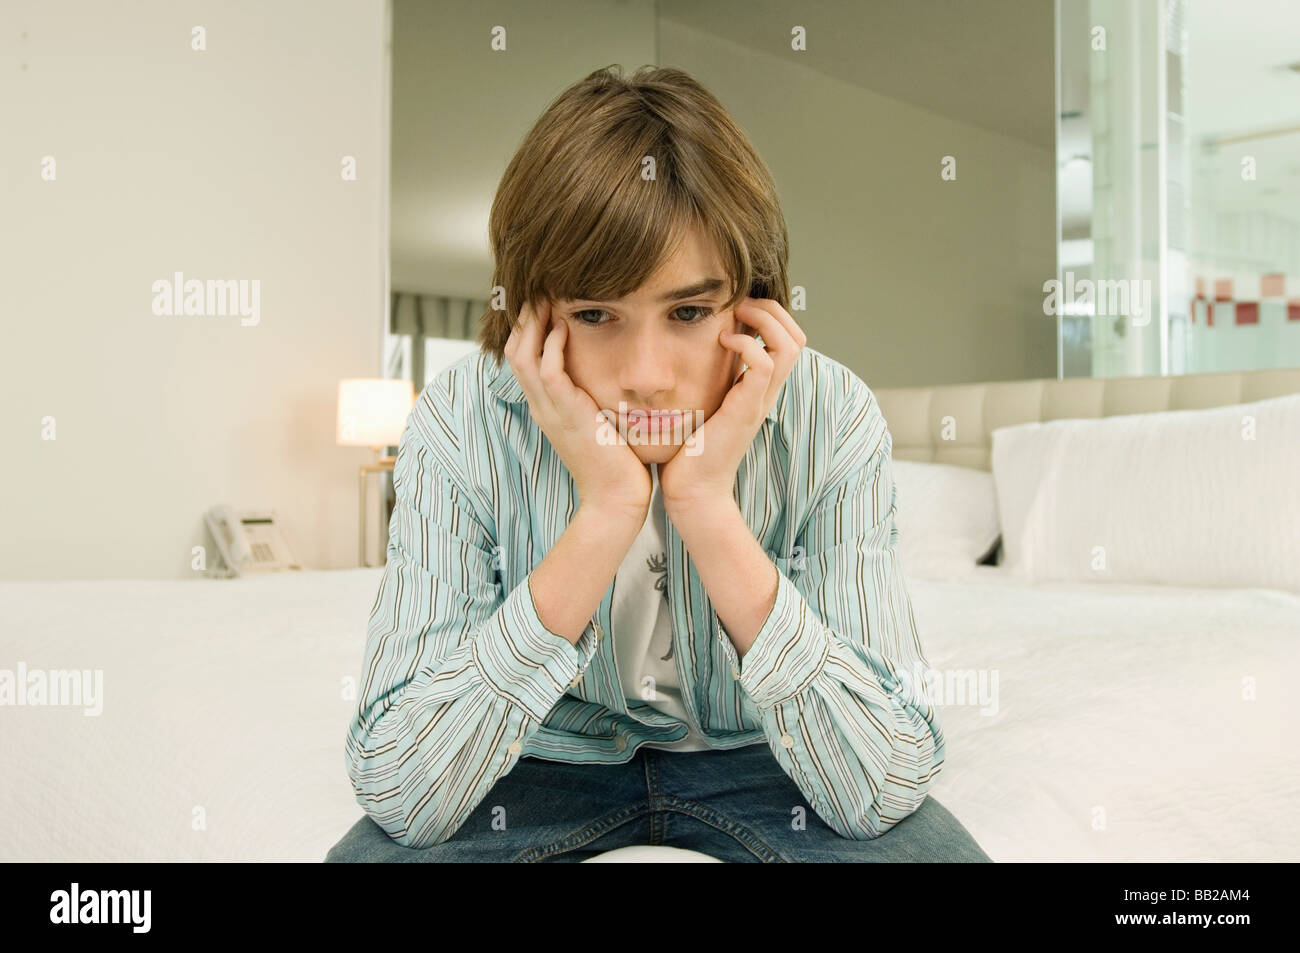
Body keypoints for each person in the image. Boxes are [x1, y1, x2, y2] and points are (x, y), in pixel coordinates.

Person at [326, 64, 990, 863]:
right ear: (533, 314)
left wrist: (707, 505)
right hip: (539, 756)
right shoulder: (463, 418)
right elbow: (401, 788)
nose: (645, 371)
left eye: (688, 311)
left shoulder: (830, 415)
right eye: (596, 313)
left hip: (768, 758)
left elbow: (881, 781)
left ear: (754, 304)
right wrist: (607, 509)